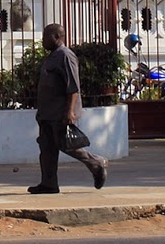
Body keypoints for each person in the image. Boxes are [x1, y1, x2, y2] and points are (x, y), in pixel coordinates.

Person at [29, 23, 108, 194]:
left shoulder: (66, 56)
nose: (43, 40)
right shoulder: (51, 57)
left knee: (67, 145)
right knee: (47, 149)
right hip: (47, 113)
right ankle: (49, 184)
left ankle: (96, 163)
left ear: (57, 37)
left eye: (46, 36)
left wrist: (70, 111)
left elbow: (73, 87)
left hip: (60, 112)